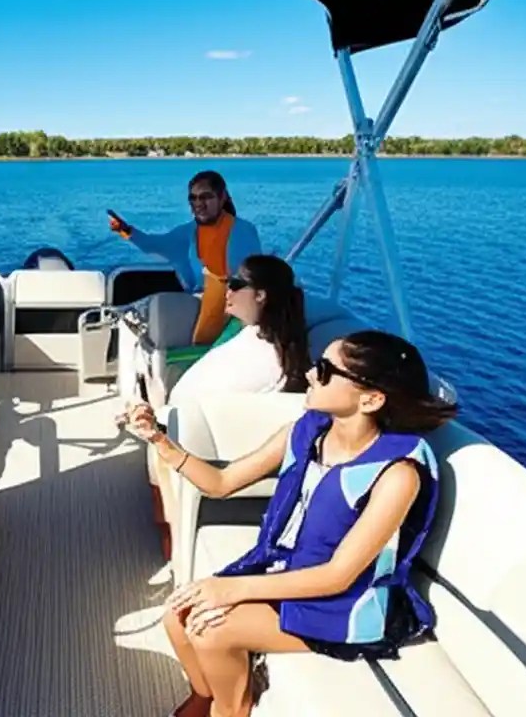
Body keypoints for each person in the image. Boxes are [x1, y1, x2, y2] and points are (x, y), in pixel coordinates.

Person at [124, 330, 457, 717]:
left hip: (344, 606)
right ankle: (204, 695)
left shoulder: (397, 475)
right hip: (290, 573)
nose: (313, 374)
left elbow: (337, 577)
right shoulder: (307, 432)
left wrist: (230, 589)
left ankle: (232, 708)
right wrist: (159, 440)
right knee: (176, 615)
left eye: (327, 370)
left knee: (209, 628)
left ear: (370, 398)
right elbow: (221, 483)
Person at [108, 170, 263, 345]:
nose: (198, 204)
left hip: (236, 308)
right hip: (197, 304)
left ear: (223, 197)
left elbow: (255, 277)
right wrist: (125, 230)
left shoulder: (244, 231)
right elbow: (154, 245)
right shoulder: (187, 233)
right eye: (193, 198)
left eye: (205, 197)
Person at [167, 254, 310, 404]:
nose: (228, 292)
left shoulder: (267, 359)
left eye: (235, 284)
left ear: (260, 295)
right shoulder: (250, 331)